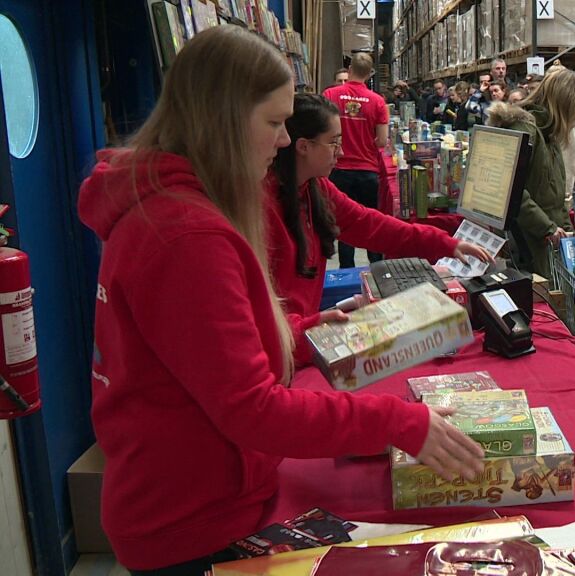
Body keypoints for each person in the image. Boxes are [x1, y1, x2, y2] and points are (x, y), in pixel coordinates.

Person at [77, 26, 485, 575]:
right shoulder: (185, 235)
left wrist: (304, 329)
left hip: (197, 495)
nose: (282, 141)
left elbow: (202, 353)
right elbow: (251, 408)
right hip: (192, 520)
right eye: (273, 123)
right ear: (218, 119)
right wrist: (399, 421)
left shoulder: (181, 212)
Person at [266, 94, 491, 366]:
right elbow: (262, 316)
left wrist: (446, 244)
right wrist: (314, 327)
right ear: (303, 146)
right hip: (283, 352)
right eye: (334, 142)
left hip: (302, 342)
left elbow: (370, 224)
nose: (341, 151)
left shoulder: (316, 189)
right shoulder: (263, 208)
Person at [486, 67, 575, 275]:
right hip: (528, 244)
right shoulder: (527, 131)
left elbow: (555, 196)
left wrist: (566, 229)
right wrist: (547, 228)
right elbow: (511, 190)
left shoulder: (548, 135)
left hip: (544, 241)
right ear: (563, 107)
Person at [322, 52, 389, 268]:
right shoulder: (378, 102)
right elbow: (382, 141)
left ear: (349, 70)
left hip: (338, 169)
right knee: (371, 221)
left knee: (344, 223)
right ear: (370, 74)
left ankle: (347, 270)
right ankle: (377, 267)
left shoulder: (331, 94)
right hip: (367, 170)